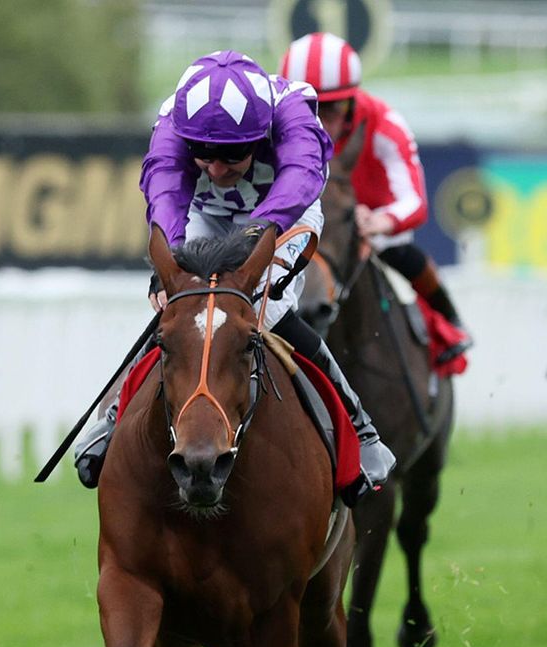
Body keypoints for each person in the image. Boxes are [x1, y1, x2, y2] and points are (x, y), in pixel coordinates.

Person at [74, 50, 395, 497]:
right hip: (206, 216)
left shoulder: (294, 113)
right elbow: (165, 194)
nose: (217, 169)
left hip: (285, 216)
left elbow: (299, 182)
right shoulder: (173, 120)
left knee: (259, 313)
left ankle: (360, 430)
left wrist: (248, 253)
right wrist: (169, 272)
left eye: (230, 158)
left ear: (261, 134)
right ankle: (111, 419)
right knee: (181, 313)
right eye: (204, 157)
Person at [280, 31, 473, 367]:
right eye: (309, 107)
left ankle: (451, 322)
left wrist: (380, 221)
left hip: (368, 222)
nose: (320, 123)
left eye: (332, 109)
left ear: (352, 102)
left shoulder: (385, 123)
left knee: (401, 252)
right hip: (303, 223)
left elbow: (415, 201)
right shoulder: (273, 123)